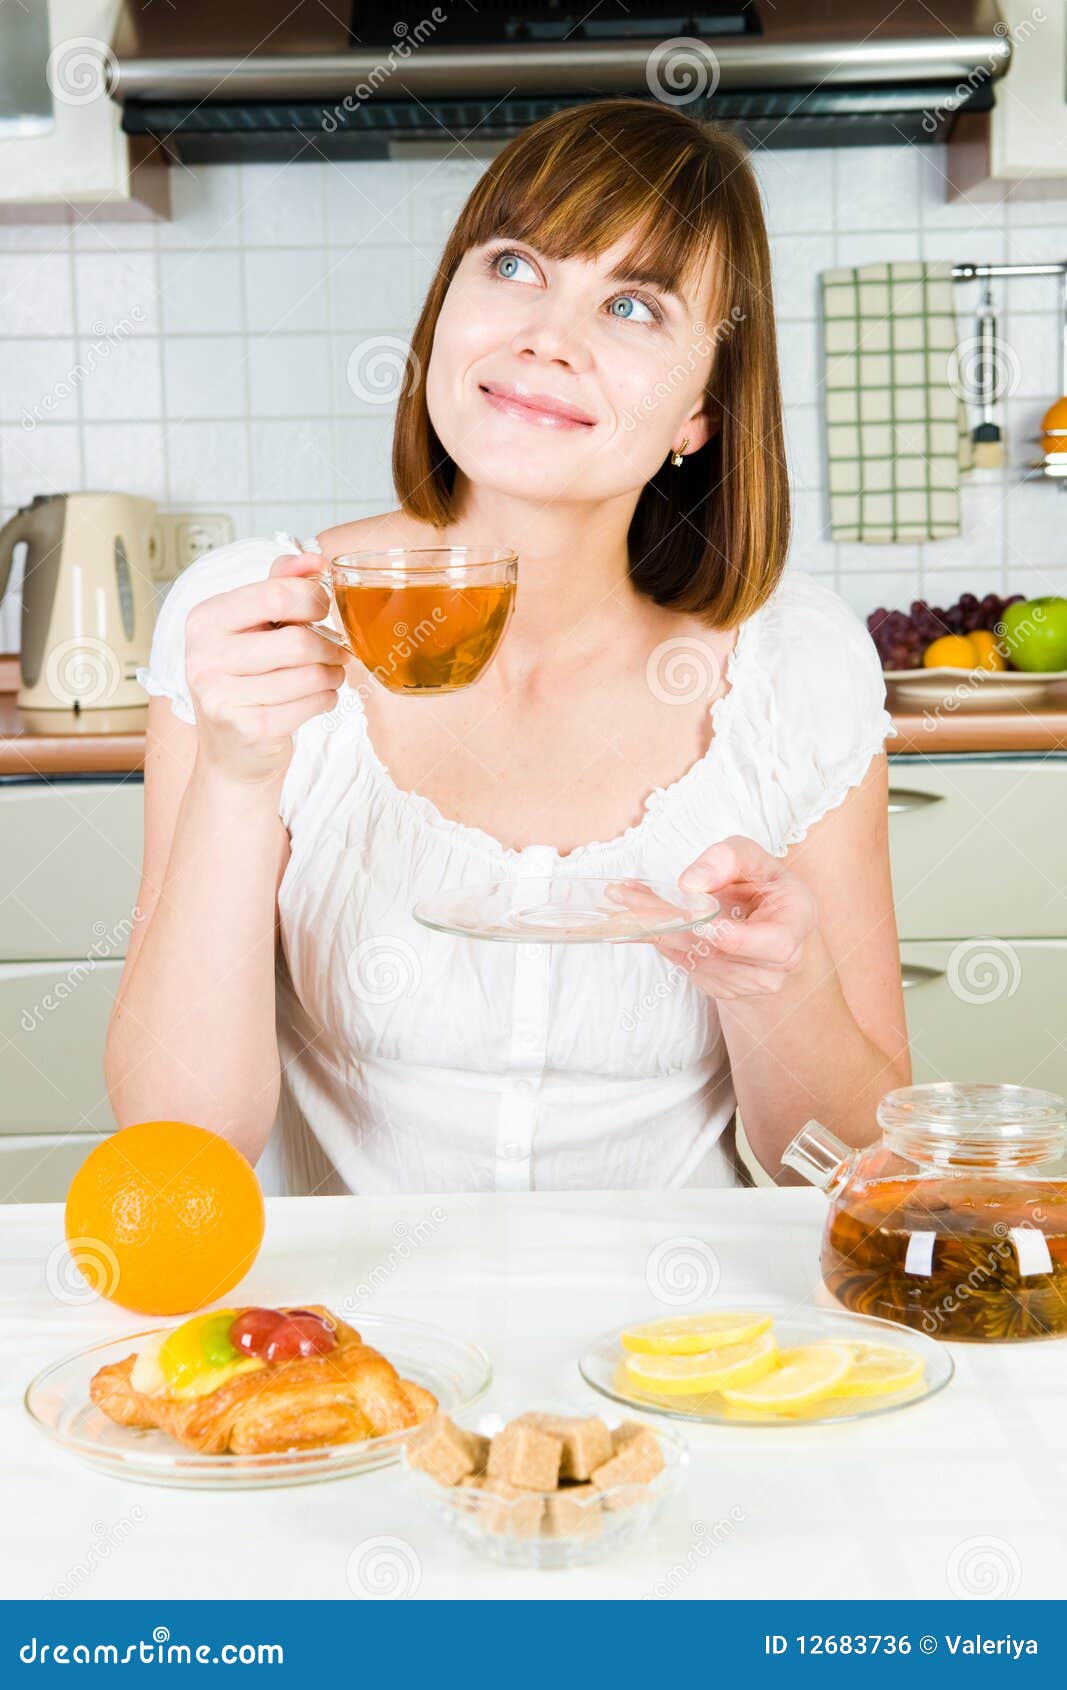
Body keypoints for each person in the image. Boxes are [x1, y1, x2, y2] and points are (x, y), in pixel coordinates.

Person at [106, 97, 909, 1195]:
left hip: (683, 1350)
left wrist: (782, 983)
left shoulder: (796, 665)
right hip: (356, 1354)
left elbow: (842, 1163)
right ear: (444, 309)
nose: (547, 336)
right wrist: (239, 781)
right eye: (517, 266)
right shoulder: (260, 621)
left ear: (701, 416)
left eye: (631, 304)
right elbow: (183, 1141)